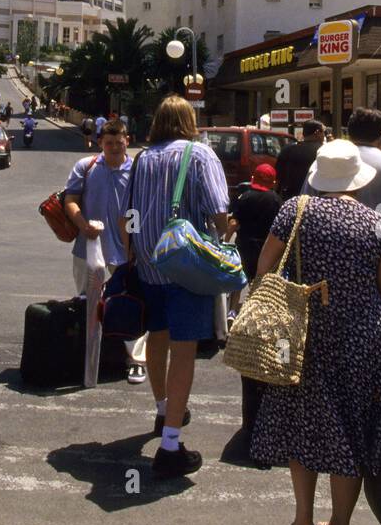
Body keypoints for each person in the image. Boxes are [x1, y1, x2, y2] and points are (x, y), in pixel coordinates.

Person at [250, 139, 381, 525]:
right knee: (353, 428)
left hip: (305, 334)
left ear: (319, 179)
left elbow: (264, 268)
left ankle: (303, 517)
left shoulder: (294, 211)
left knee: (302, 421)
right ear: (357, 180)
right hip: (364, 337)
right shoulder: (377, 223)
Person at [119, 96, 229, 480]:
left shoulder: (142, 159)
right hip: (186, 267)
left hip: (149, 263)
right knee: (185, 351)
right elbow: (219, 213)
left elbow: (129, 215)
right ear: (189, 120)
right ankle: (170, 444)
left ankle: (165, 407)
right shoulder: (199, 156)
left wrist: (132, 254)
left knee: (157, 337)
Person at [303, 109, 381, 302]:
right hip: (379, 270)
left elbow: (304, 211)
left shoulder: (322, 164)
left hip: (324, 268)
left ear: (349, 132)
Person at [63, 119, 147, 383]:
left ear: (127, 140)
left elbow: (138, 210)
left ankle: (136, 361)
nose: (113, 147)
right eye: (108, 142)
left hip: (125, 252)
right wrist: (83, 225)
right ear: (100, 142)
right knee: (87, 304)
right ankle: (90, 357)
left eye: (118, 142)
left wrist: (134, 245)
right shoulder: (85, 167)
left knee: (130, 306)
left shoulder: (136, 171)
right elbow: (71, 201)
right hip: (87, 248)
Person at [224, 162, 282, 456]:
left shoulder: (244, 197)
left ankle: (234, 313)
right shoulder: (276, 201)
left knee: (241, 280)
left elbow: (232, 224)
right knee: (263, 287)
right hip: (268, 250)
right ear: (272, 182)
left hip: (246, 246)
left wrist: (224, 241)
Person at [276, 121, 325, 201]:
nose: (324, 135)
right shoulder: (322, 151)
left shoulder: (287, 149)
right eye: (323, 132)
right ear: (317, 132)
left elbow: (278, 178)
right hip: (314, 200)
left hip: (289, 199)